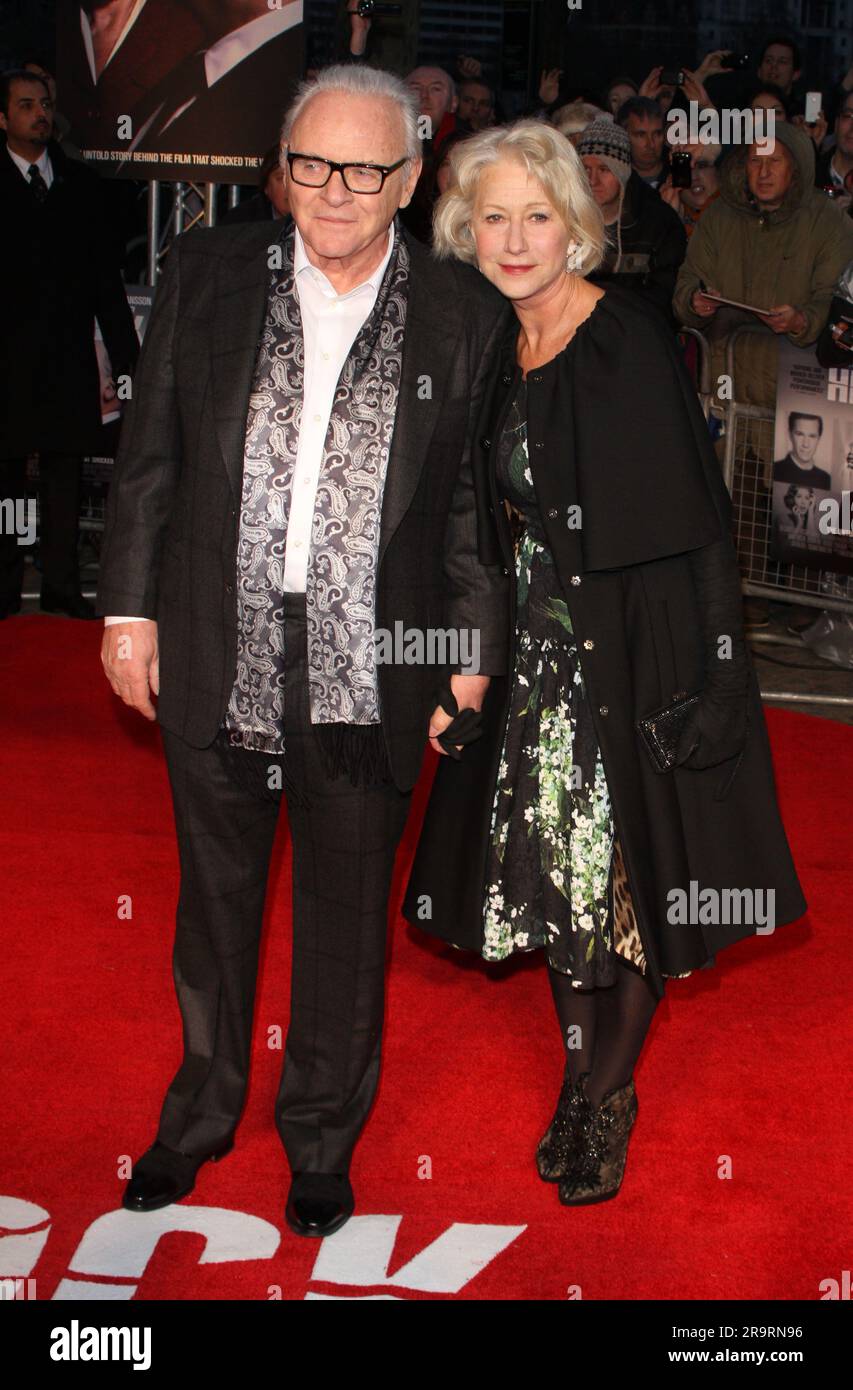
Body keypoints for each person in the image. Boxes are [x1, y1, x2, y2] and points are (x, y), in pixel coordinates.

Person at [96, 62, 511, 1238]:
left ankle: (320, 1135)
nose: (335, 190)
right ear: (281, 171)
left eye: (365, 168)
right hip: (214, 632)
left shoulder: (462, 314)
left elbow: (476, 513)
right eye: (313, 164)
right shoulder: (210, 273)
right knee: (212, 901)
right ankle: (197, 1116)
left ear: (411, 177)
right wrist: (126, 609)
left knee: (342, 916)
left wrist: (467, 658)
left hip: (369, 660)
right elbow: (153, 458)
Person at [403, 118, 807, 1207]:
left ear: (575, 227)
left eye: (538, 216)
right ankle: (585, 1075)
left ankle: (603, 1095)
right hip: (528, 662)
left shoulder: (622, 338)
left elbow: (702, 527)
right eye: (494, 217)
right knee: (552, 884)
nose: (516, 237)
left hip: (634, 651)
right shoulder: (490, 347)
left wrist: (723, 678)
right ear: (463, 229)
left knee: (623, 884)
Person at [0, 69, 138, 621]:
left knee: (65, 478)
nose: (40, 113)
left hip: (67, 362)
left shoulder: (81, 185)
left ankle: (61, 587)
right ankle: (6, 586)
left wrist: (130, 358)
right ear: (3, 118)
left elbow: (105, 280)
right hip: (7, 367)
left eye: (45, 103)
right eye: (26, 104)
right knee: (8, 488)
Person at [577, 117, 686, 323]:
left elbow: (665, 294)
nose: (592, 181)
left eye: (604, 169)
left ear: (621, 174)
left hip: (637, 331)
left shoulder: (658, 222)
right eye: (585, 169)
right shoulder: (565, 221)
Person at [220, 143, 291, 224]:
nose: (289, 186)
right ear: (266, 187)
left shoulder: (308, 219)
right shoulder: (240, 222)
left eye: (294, 177)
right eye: (281, 178)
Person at [616, 95, 669, 188]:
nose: (651, 144)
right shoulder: (615, 179)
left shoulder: (679, 173)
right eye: (641, 135)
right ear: (623, 135)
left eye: (657, 134)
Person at [773, 413, 831, 489]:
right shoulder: (775, 470)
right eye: (799, 434)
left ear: (819, 439)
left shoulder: (826, 479)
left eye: (812, 436)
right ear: (790, 434)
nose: (806, 444)